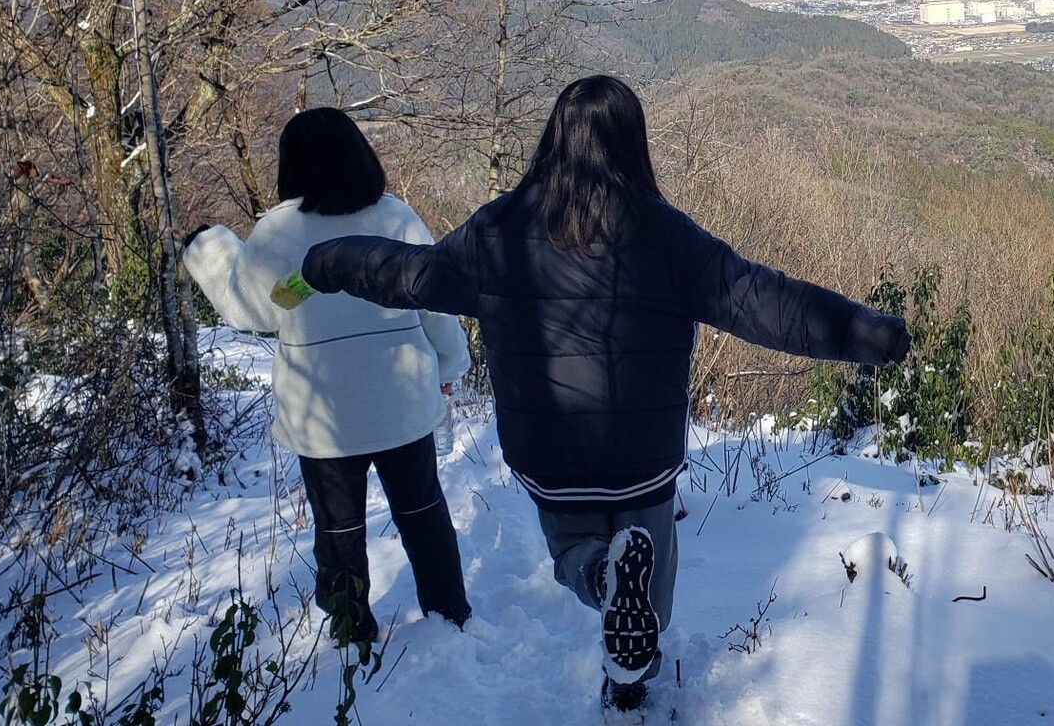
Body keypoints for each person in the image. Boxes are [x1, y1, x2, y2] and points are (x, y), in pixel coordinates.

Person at [299, 75, 911, 712]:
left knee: (574, 551)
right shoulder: (669, 237)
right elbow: (765, 302)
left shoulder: (499, 231)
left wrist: (330, 259)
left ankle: (598, 573)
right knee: (651, 589)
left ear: (553, 141)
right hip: (642, 461)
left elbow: (408, 275)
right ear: (633, 145)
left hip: (551, 457)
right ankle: (628, 676)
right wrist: (864, 333)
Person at [183, 107, 473, 645]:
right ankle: (449, 613)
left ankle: (350, 627)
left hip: (322, 414)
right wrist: (450, 366)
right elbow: (434, 300)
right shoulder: (395, 218)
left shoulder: (277, 231)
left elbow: (252, 310)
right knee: (424, 512)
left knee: (338, 529)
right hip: (401, 400)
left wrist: (208, 246)